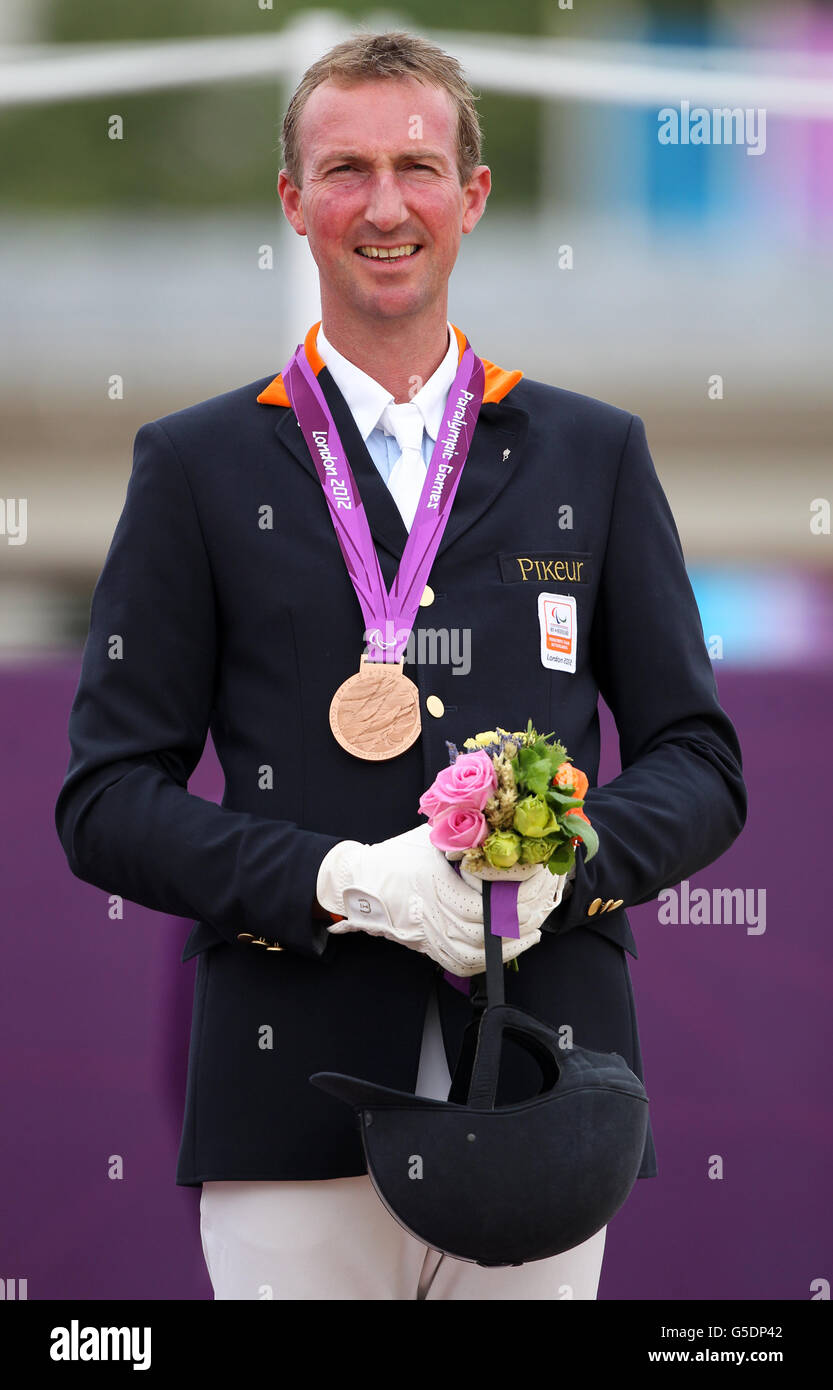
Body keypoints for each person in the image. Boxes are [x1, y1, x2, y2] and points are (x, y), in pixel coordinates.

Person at [54, 30, 747, 1301]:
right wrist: (337, 878)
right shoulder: (196, 465)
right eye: (345, 170)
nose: (384, 206)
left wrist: (566, 867)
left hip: (549, 1091)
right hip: (289, 1111)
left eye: (418, 167)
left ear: (472, 197)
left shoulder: (591, 454)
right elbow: (103, 802)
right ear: (293, 202)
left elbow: (700, 762)